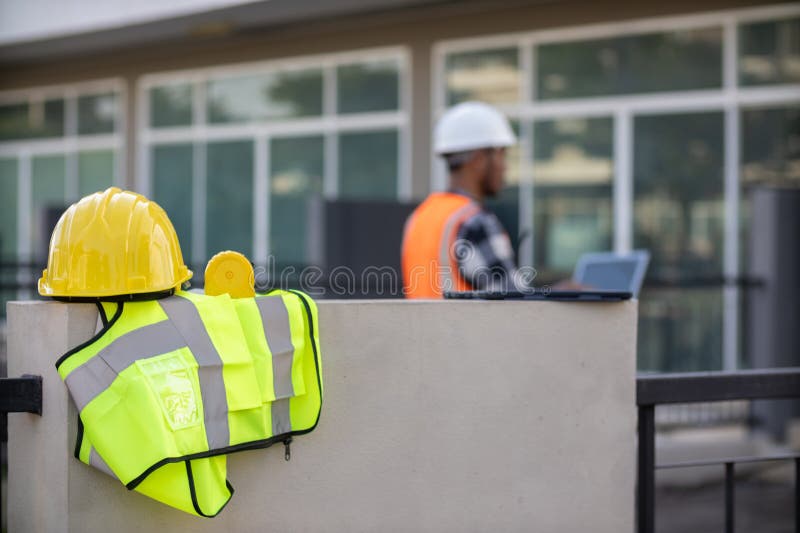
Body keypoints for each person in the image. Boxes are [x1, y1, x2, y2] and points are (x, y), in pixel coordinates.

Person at [401, 101, 532, 298]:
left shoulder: (419, 218)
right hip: (463, 330)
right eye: (501, 154)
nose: (505, 167)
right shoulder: (474, 222)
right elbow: (516, 304)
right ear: (479, 159)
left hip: (423, 329)